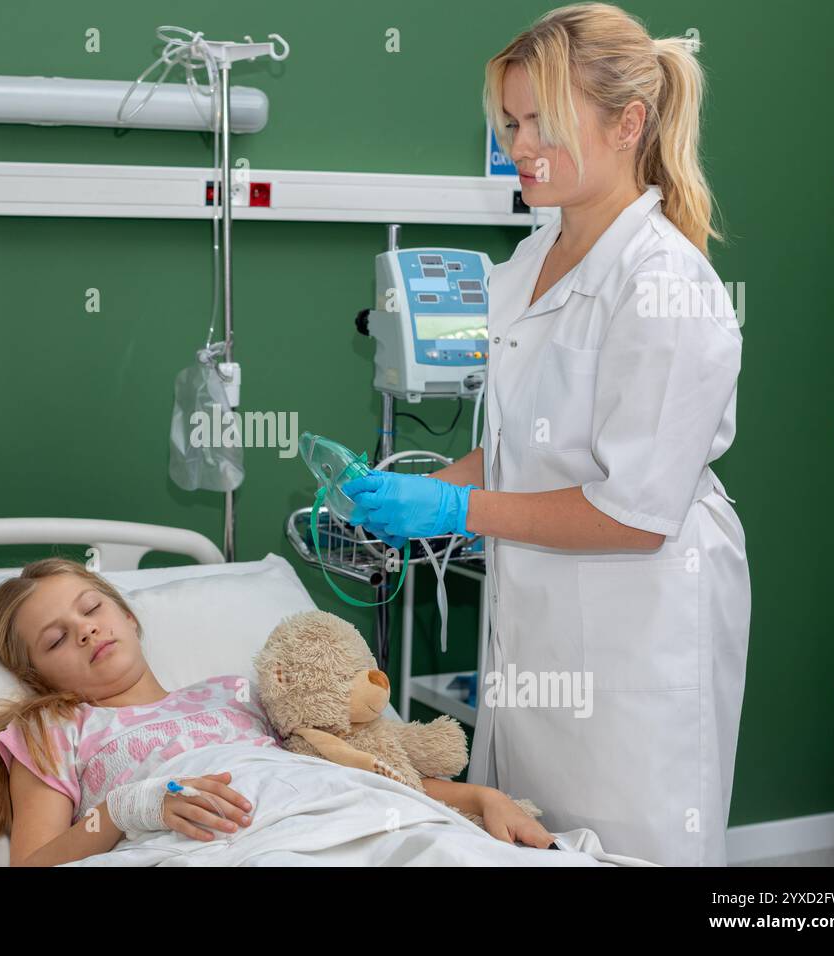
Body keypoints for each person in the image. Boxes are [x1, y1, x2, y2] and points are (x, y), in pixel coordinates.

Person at [344, 2, 750, 866]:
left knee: (632, 843)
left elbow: (635, 513)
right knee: (529, 834)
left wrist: (457, 510)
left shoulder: (666, 286)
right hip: (539, 621)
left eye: (544, 123)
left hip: (639, 618)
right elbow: (530, 444)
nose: (521, 144)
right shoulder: (530, 260)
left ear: (628, 123)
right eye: (513, 121)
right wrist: (403, 496)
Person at [0, 558, 551, 866]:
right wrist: (131, 808)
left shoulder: (236, 690)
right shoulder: (55, 728)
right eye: (56, 639)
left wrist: (477, 798)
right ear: (36, 676)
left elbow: (344, 765)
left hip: (340, 815)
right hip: (225, 845)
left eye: (91, 608)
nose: (84, 630)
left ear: (128, 617)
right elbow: (34, 863)